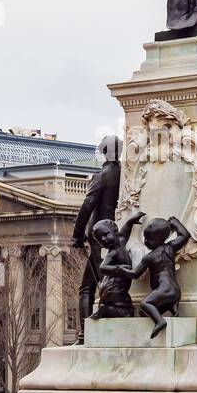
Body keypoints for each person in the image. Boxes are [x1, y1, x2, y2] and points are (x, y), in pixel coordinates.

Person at [71, 135, 122, 342]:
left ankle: (85, 334)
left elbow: (88, 204)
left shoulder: (103, 175)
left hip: (99, 236)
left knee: (90, 286)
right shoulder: (125, 174)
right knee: (103, 282)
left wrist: (77, 234)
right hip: (116, 234)